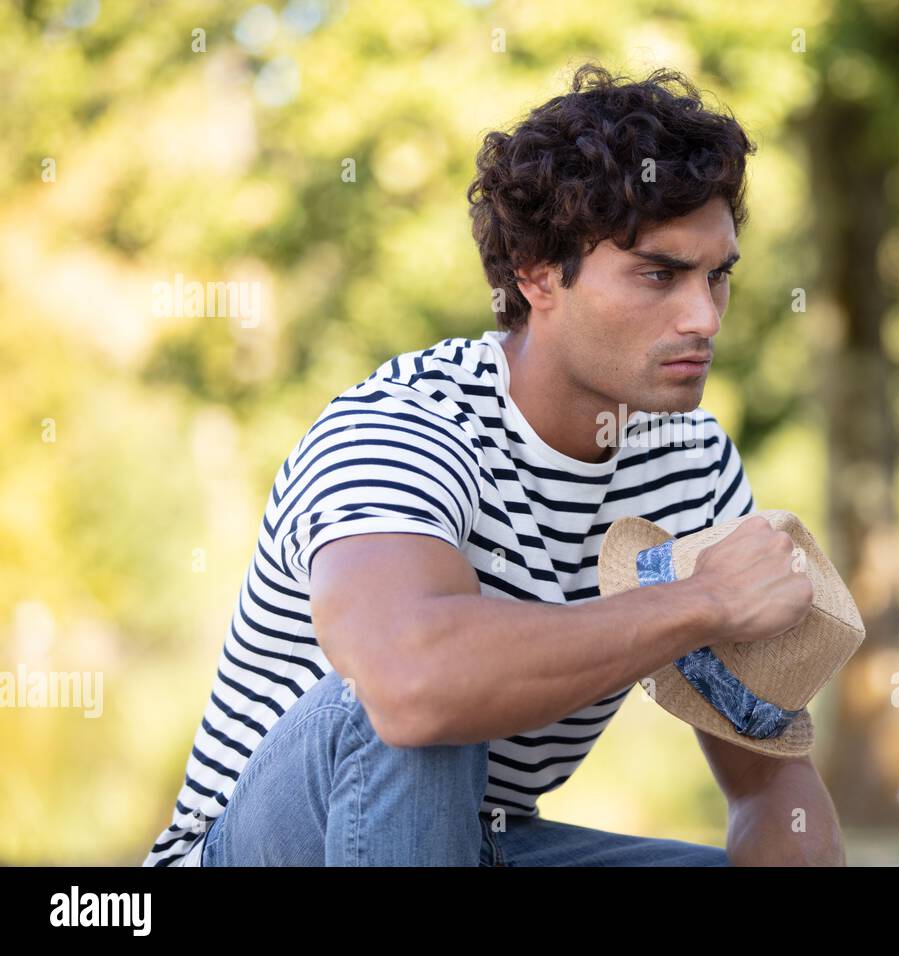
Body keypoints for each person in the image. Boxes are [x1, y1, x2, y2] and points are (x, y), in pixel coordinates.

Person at [144, 63, 845, 867]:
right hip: (272, 848)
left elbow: (769, 784)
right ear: (537, 273)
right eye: (659, 274)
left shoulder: (691, 464)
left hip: (478, 846)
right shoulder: (406, 425)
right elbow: (409, 686)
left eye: (717, 277)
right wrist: (703, 600)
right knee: (407, 706)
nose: (704, 317)